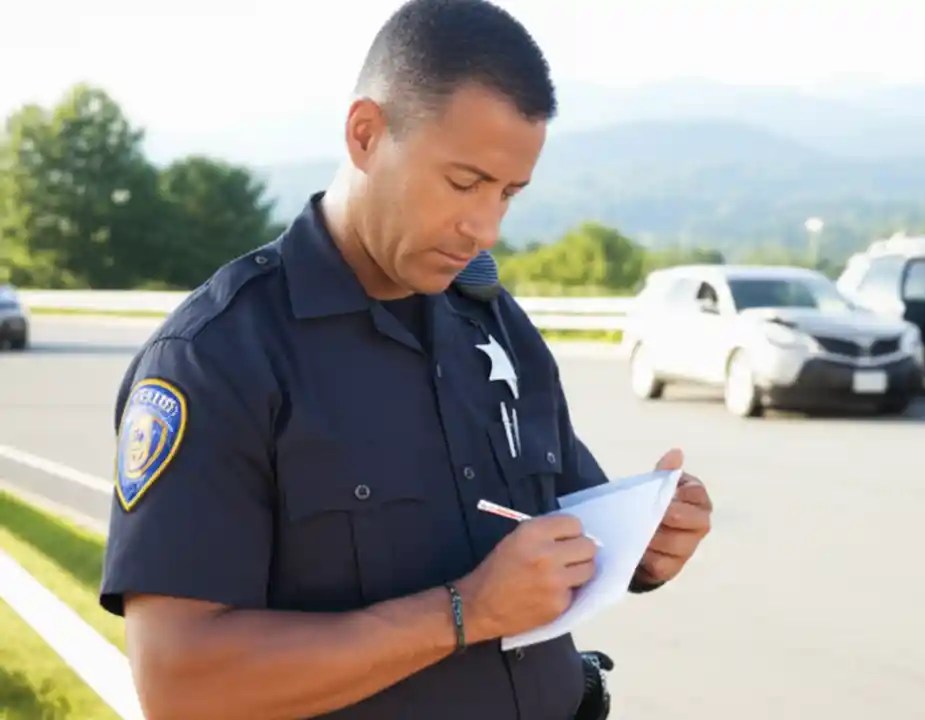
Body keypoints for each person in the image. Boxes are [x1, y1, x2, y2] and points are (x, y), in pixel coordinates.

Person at [97, 1, 714, 718]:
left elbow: (565, 521)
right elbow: (181, 683)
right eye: (462, 183)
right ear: (366, 134)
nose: (484, 227)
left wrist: (644, 542)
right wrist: (463, 612)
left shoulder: (492, 323)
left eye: (508, 193)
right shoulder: (219, 358)